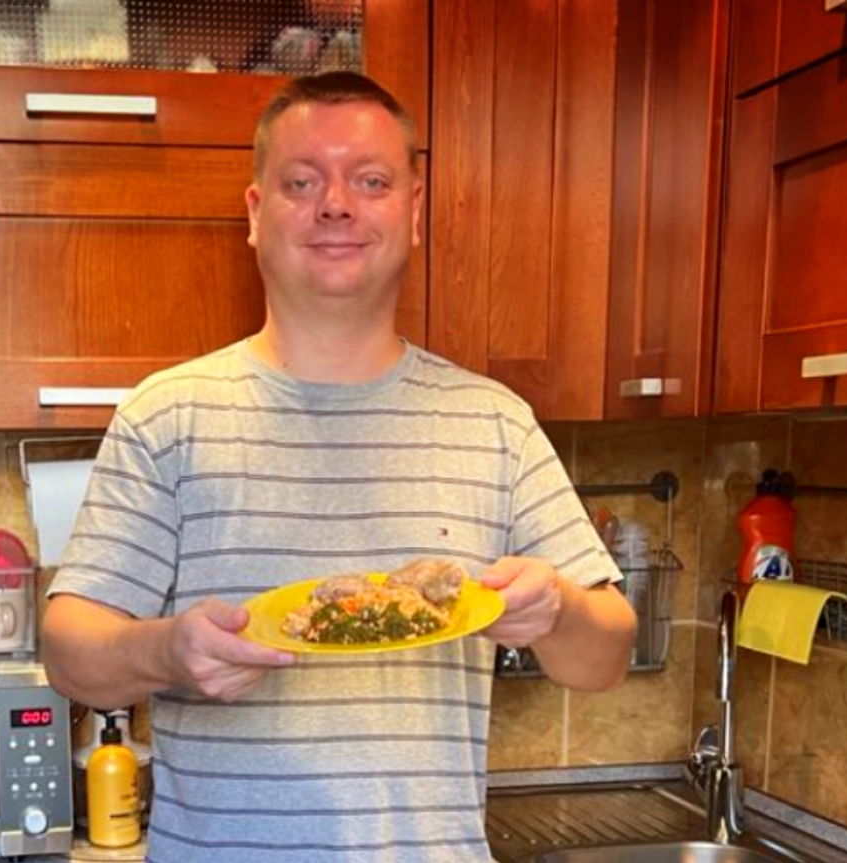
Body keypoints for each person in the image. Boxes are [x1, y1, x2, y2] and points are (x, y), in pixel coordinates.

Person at [42, 71, 637, 863]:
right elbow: (68, 651)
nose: (334, 204)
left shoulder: (494, 422)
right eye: (301, 181)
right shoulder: (166, 415)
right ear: (255, 213)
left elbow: (606, 657)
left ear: (413, 212)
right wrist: (165, 650)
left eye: (370, 181)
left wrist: (557, 609)